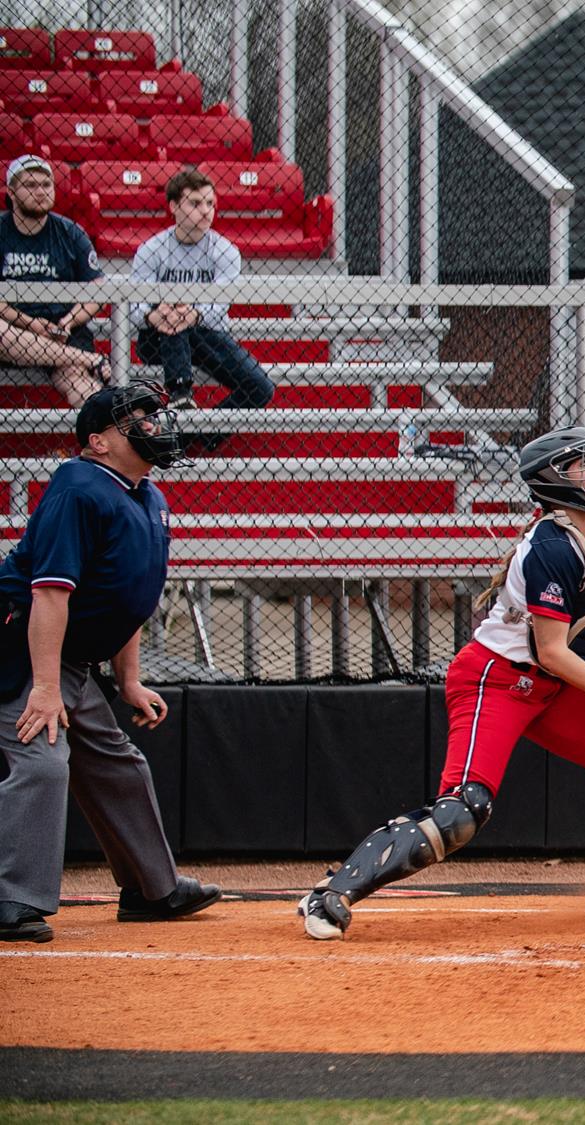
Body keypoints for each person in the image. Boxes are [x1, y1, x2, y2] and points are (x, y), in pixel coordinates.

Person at [297, 427, 585, 940]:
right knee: (463, 810)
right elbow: (551, 651)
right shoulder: (549, 546)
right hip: (494, 681)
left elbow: (563, 654)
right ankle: (333, 893)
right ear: (554, 480)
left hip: (550, 686)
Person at [0, 381, 219, 943]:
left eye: (154, 416)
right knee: (41, 762)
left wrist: (128, 679)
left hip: (69, 658)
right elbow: (49, 593)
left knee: (119, 765)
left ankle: (152, 890)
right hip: (19, 645)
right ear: (96, 442)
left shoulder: (148, 495)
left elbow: (130, 595)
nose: (154, 425)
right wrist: (45, 688)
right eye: (138, 420)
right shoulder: (78, 486)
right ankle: (10, 898)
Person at [129, 168, 275, 421]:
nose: (206, 210)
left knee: (261, 388)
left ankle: (199, 434)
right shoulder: (151, 249)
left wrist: (192, 315)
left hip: (207, 338)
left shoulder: (226, 251)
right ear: (173, 206)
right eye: (195, 203)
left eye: (210, 203)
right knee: (172, 321)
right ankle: (179, 392)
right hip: (157, 338)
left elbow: (219, 306)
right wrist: (154, 316)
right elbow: (134, 307)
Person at [0, 155, 111, 405]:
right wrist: (30, 324)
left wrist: (68, 322)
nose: (40, 192)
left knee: (82, 386)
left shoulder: (70, 232)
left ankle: (109, 436)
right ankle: (88, 359)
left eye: (46, 185)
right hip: (13, 328)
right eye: (30, 185)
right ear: (12, 192)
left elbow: (98, 290)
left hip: (63, 327)